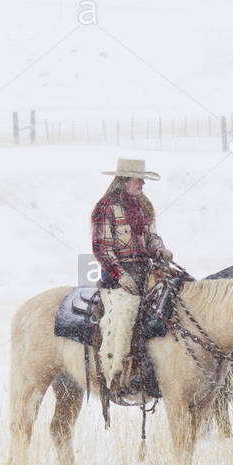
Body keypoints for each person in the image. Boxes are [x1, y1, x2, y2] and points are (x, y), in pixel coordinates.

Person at [90, 157, 174, 390]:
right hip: (117, 279)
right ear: (125, 180)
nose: (142, 185)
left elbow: (151, 238)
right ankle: (116, 372)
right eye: (139, 180)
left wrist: (159, 250)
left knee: (174, 303)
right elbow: (101, 248)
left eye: (143, 181)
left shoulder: (144, 206)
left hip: (146, 272)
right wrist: (121, 275)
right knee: (125, 314)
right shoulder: (105, 208)